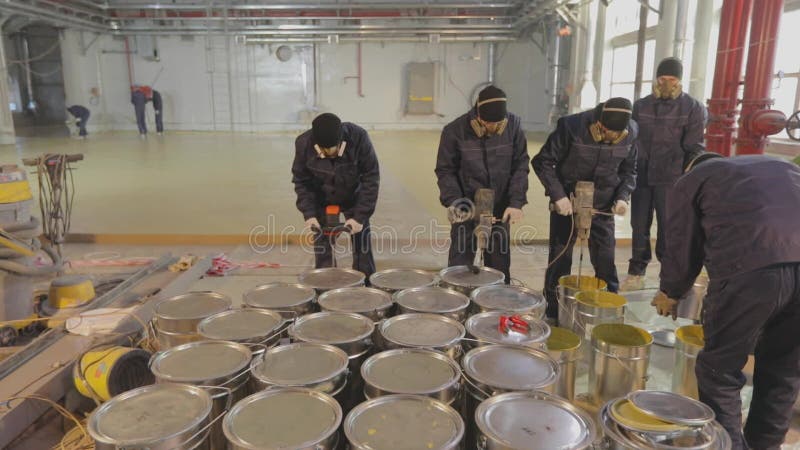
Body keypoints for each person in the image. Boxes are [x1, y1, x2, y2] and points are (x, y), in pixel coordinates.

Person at [652, 153, 800, 450]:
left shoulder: (693, 179)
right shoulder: (782, 166)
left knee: (719, 372)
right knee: (782, 369)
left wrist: (670, 291)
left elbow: (681, 243)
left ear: (689, 167)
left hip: (751, 271)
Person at [532, 97, 638, 321]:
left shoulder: (632, 132)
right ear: (599, 124)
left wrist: (623, 197)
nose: (611, 139)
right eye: (607, 132)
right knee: (560, 258)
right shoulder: (571, 126)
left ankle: (610, 310)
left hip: (603, 205)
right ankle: (554, 310)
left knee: (606, 259)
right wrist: (558, 196)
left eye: (617, 135)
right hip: (568, 204)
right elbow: (542, 161)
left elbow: (630, 170)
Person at [621, 57, 708, 291]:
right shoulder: (641, 106)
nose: (667, 83)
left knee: (669, 228)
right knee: (639, 225)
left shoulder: (693, 108)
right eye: (662, 78)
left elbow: (695, 147)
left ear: (679, 80)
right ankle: (636, 272)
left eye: (672, 79)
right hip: (642, 175)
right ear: (656, 79)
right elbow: (630, 140)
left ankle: (668, 276)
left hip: (672, 179)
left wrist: (688, 178)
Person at [434, 85, 529, 283]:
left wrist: (516, 203)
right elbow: (445, 170)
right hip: (466, 207)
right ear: (478, 116)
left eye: (498, 124)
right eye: (488, 124)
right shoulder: (454, 131)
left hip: (500, 208)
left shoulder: (513, 127)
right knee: (460, 266)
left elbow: (520, 166)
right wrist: (456, 202)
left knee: (499, 266)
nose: (493, 129)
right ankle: (459, 296)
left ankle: (497, 298)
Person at [292, 113, 380, 278]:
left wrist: (360, 217)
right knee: (322, 242)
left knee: (361, 240)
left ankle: (365, 279)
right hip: (321, 196)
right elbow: (301, 181)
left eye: (332, 149)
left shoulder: (358, 138)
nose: (328, 153)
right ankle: (325, 280)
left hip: (353, 193)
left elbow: (371, 177)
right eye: (324, 150)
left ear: (340, 141)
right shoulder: (303, 143)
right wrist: (309, 214)